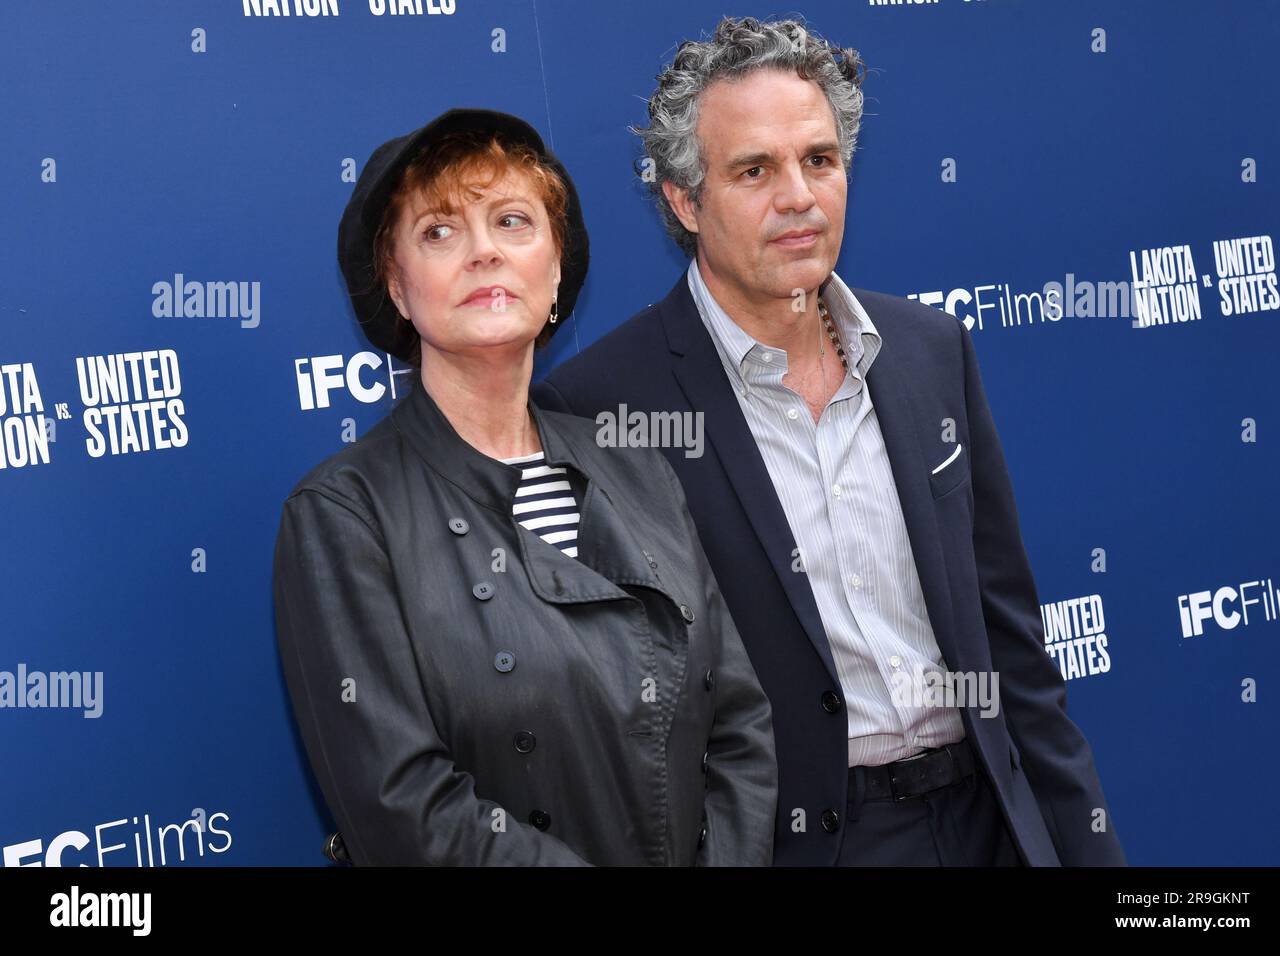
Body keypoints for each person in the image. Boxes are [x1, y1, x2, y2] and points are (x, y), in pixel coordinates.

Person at [532, 17, 1126, 866]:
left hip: (992, 819)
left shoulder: (929, 350)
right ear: (684, 200)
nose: (799, 197)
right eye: (753, 170)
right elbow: (623, 713)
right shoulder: (601, 404)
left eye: (819, 159)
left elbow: (1013, 651)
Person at [272, 108, 777, 866]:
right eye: (439, 232)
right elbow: (404, 807)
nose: (484, 253)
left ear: (555, 271)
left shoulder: (637, 468)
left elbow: (739, 725)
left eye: (512, 221)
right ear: (399, 291)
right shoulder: (344, 516)